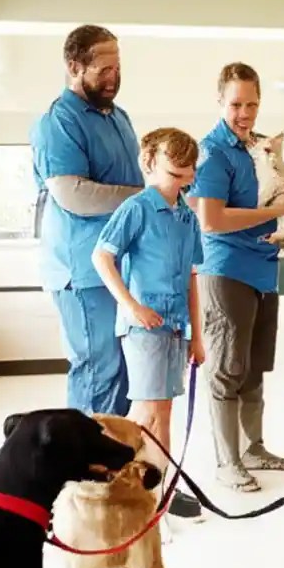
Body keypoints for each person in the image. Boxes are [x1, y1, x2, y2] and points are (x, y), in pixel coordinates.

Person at [187, 62, 284, 493]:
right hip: (227, 270)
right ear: (220, 101)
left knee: (254, 369)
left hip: (264, 270)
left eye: (252, 104)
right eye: (236, 104)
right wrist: (276, 211)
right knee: (227, 370)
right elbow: (211, 218)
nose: (244, 113)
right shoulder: (213, 153)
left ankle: (254, 448)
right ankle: (227, 461)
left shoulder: (258, 148)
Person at [92, 127, 206, 519]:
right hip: (143, 328)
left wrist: (197, 335)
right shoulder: (136, 208)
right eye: (173, 174)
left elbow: (193, 277)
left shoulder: (188, 218)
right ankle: (113, 485)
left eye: (187, 175)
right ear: (151, 163)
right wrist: (133, 306)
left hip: (175, 329)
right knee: (144, 415)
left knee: (161, 415)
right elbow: (101, 259)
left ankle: (160, 493)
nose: (180, 183)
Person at [31, 24, 143, 417]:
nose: (113, 78)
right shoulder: (59, 121)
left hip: (119, 267)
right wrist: (146, 197)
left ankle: (113, 468)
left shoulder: (118, 117)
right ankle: (84, 471)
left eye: (118, 68)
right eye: (103, 70)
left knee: (127, 370)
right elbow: (74, 195)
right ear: (74, 67)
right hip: (81, 269)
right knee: (98, 368)